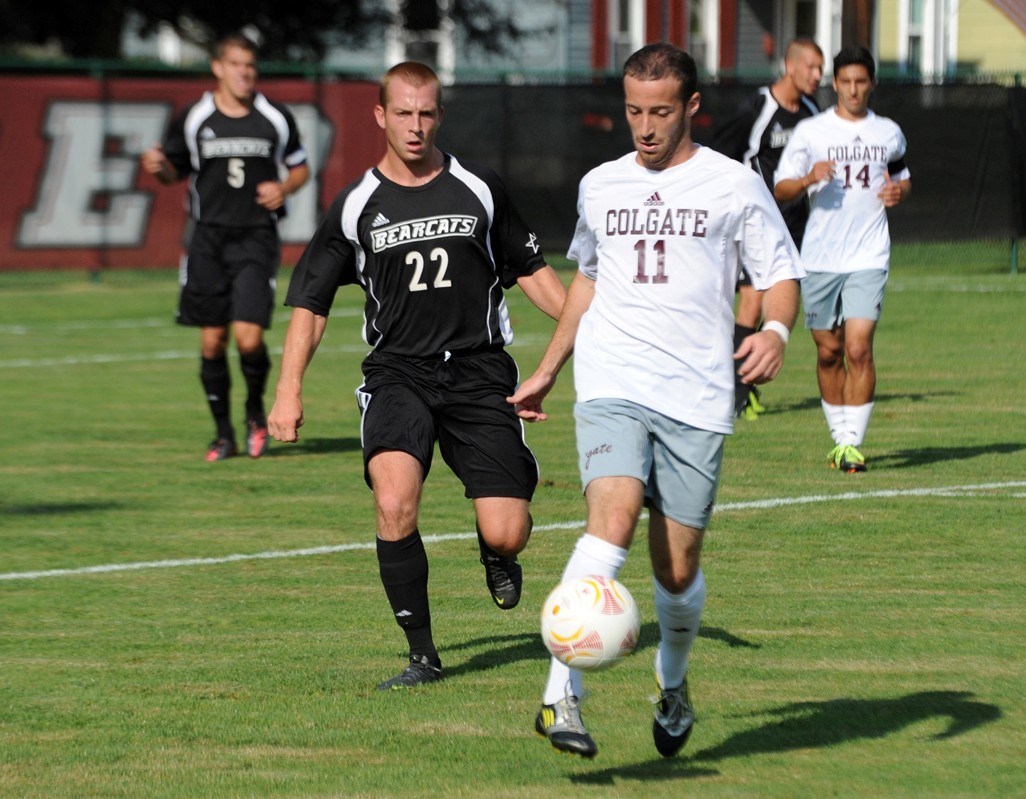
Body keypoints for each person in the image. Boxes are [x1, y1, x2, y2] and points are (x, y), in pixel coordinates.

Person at [508, 43, 803, 759]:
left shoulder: (733, 185)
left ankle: (672, 683)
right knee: (610, 520)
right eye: (635, 110)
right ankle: (560, 698)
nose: (644, 126)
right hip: (613, 379)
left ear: (691, 107)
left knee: (676, 568)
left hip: (698, 395)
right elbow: (587, 280)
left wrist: (774, 330)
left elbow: (781, 273)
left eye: (661, 112)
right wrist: (550, 366)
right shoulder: (601, 184)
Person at [266, 62, 566, 690]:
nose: (415, 125)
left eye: (426, 112)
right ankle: (423, 655)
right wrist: (288, 390)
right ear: (380, 116)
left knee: (508, 530)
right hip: (398, 373)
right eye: (402, 113)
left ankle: (497, 546)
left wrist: (582, 330)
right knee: (394, 500)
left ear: (439, 115)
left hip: (480, 372)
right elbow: (310, 305)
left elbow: (533, 273)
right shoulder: (354, 207)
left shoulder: (480, 189)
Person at [140, 32, 310, 461]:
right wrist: (158, 167)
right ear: (218, 67)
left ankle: (255, 413)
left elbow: (300, 167)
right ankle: (223, 435)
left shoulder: (274, 116)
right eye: (235, 64)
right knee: (213, 341)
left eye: (250, 66)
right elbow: (171, 172)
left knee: (249, 339)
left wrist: (284, 187)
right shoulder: (195, 116)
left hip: (256, 237)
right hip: (207, 239)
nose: (244, 73)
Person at [774, 46, 911, 473]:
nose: (853, 90)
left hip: (869, 253)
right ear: (836, 84)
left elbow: (903, 177)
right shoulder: (812, 132)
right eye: (846, 82)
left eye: (861, 82)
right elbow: (780, 188)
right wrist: (807, 178)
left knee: (857, 347)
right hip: (820, 255)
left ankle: (852, 443)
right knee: (829, 350)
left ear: (871, 84)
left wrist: (897, 192)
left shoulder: (888, 131)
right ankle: (839, 438)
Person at [711, 36, 824, 420]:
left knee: (777, 301)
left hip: (793, 224)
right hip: (751, 224)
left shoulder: (811, 111)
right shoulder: (759, 108)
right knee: (753, 300)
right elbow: (721, 152)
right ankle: (737, 391)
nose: (817, 75)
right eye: (811, 67)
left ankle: (740, 383)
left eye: (820, 68)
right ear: (790, 67)